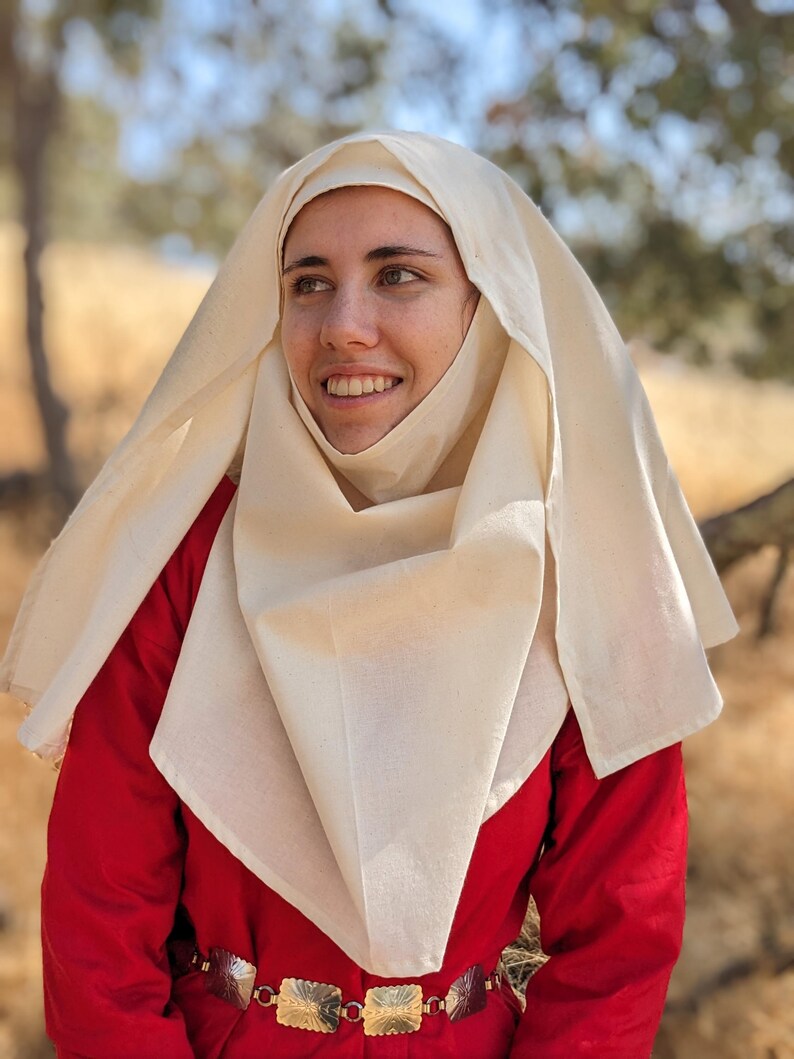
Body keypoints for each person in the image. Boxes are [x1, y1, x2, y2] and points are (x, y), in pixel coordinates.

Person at [2, 132, 739, 1058]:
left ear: (489, 306)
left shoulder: (582, 578)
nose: (343, 323)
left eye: (399, 276)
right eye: (309, 281)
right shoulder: (186, 562)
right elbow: (99, 924)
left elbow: (621, 941)